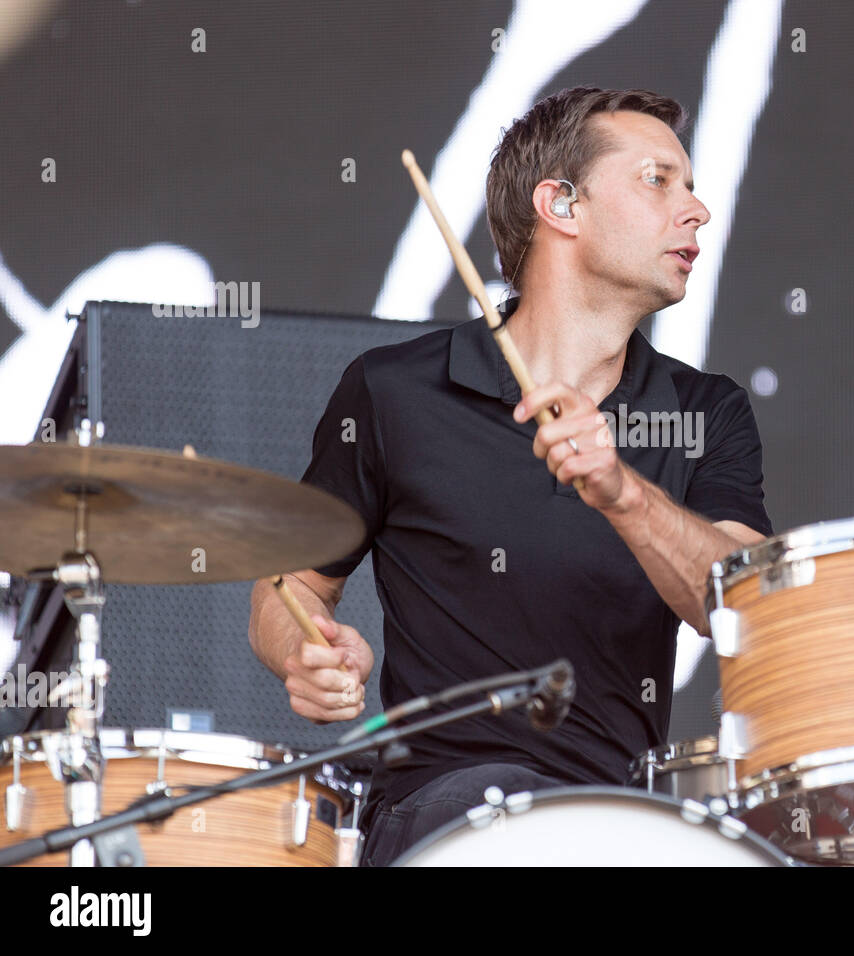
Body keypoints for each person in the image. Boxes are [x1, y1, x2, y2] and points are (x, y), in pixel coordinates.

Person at [247, 87, 772, 866]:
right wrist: (304, 651)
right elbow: (287, 588)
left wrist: (623, 494)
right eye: (659, 180)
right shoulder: (394, 392)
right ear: (561, 203)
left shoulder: (707, 410)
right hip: (444, 808)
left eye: (689, 185)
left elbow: (742, 610)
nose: (697, 210)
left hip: (620, 817)